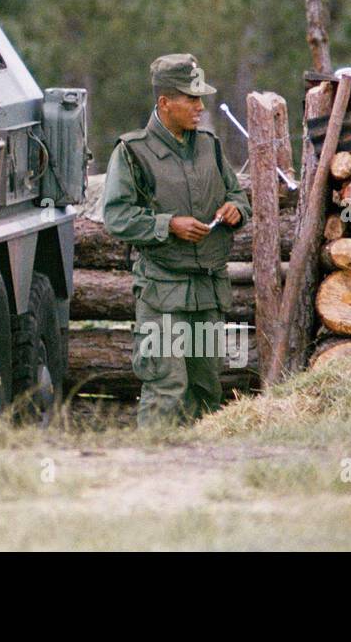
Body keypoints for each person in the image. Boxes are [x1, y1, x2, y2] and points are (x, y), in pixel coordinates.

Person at [101, 54, 251, 427]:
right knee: (166, 386)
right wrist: (168, 225)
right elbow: (117, 217)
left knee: (206, 387)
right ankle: (152, 473)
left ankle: (200, 477)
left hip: (208, 291)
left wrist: (235, 210)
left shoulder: (210, 147)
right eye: (191, 98)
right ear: (165, 102)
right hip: (162, 292)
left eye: (201, 98)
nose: (200, 107)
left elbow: (237, 195)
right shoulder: (132, 152)